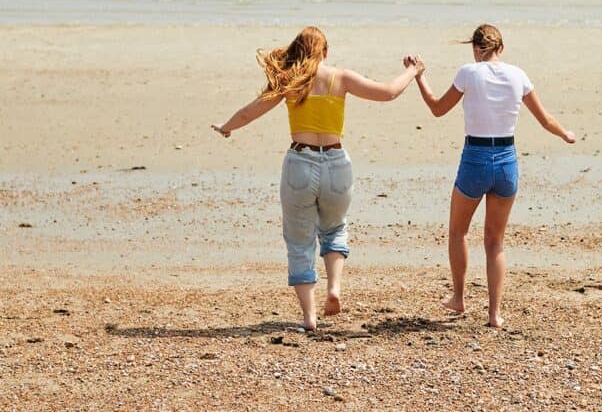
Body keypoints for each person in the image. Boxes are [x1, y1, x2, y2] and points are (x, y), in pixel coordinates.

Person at [213, 25, 421, 331]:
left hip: (300, 161)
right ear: (326, 52)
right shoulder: (342, 77)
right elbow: (388, 92)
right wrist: (413, 71)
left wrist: (227, 126)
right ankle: (334, 288)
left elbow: (250, 112)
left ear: (298, 51)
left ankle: (309, 317)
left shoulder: (290, 82)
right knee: (335, 228)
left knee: (299, 241)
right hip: (337, 162)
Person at [408, 23, 575, 328]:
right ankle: (494, 314)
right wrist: (566, 134)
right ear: (502, 48)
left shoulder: (469, 73)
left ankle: (458, 299)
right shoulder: (518, 75)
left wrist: (419, 76)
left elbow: (436, 108)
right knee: (495, 242)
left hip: (475, 158)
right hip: (507, 161)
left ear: (475, 48)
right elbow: (545, 119)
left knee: (459, 232)